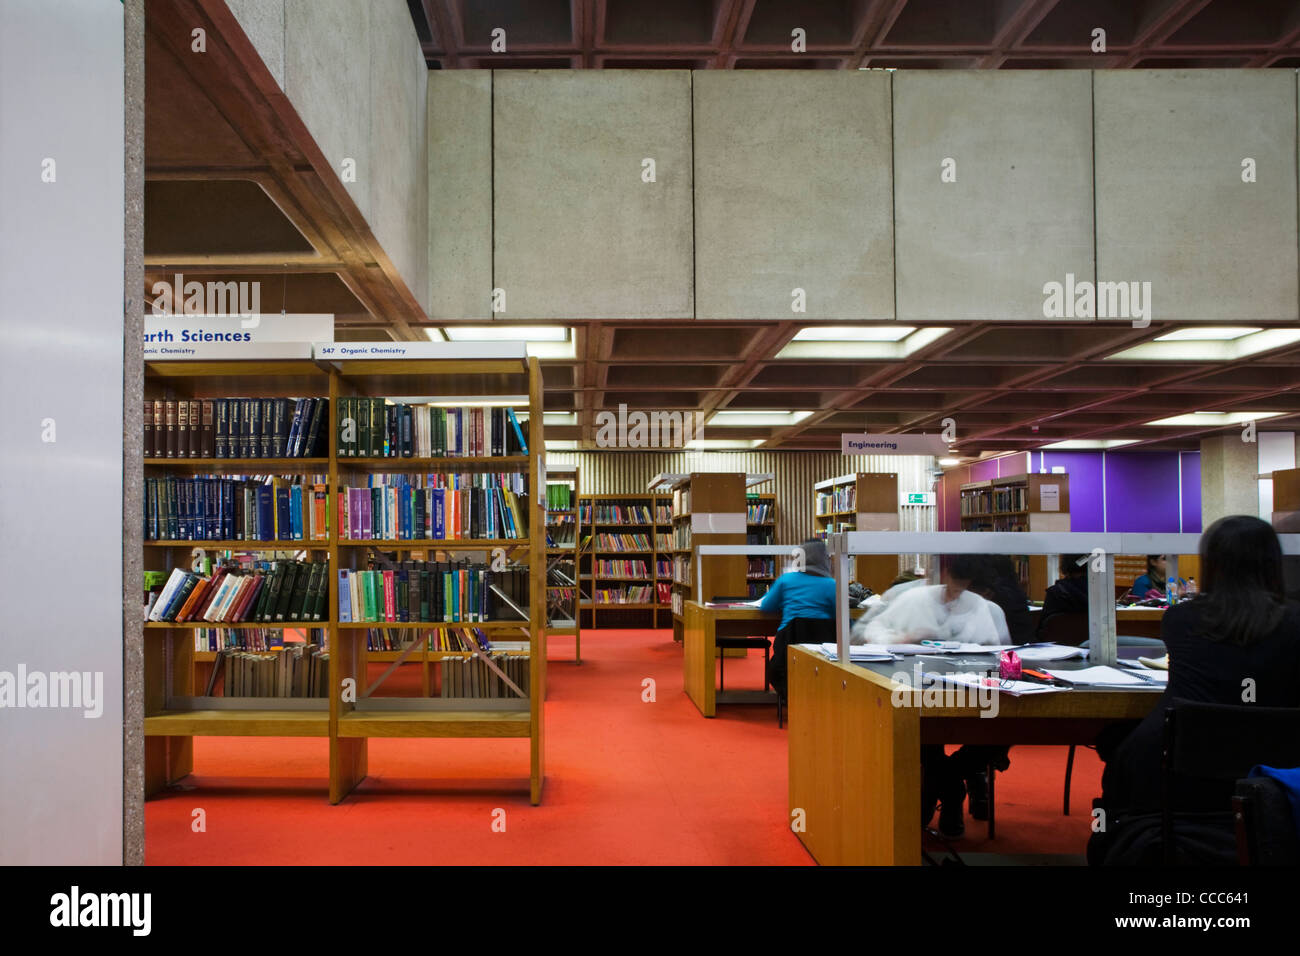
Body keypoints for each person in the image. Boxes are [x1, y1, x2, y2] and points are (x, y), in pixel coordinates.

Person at [1090, 516, 1300, 865]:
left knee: (1115, 744)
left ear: (1212, 563)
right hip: (1272, 774)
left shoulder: (1181, 620)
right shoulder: (1295, 623)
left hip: (1176, 769)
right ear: (1273, 562)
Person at [852, 554, 1008, 646]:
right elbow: (861, 633)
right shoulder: (908, 596)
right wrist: (902, 639)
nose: (955, 599)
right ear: (945, 575)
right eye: (954, 590)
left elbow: (999, 651)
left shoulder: (988, 609)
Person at [761, 538, 837, 703]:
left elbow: (766, 606)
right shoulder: (832, 585)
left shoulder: (786, 580)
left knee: (778, 667)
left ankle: (792, 698)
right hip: (824, 650)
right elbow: (840, 616)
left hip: (789, 643)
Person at [1039, 553, 1089, 634]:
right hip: (1090, 642)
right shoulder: (1101, 593)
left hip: (1057, 644)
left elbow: (1042, 630)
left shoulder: (1055, 593)